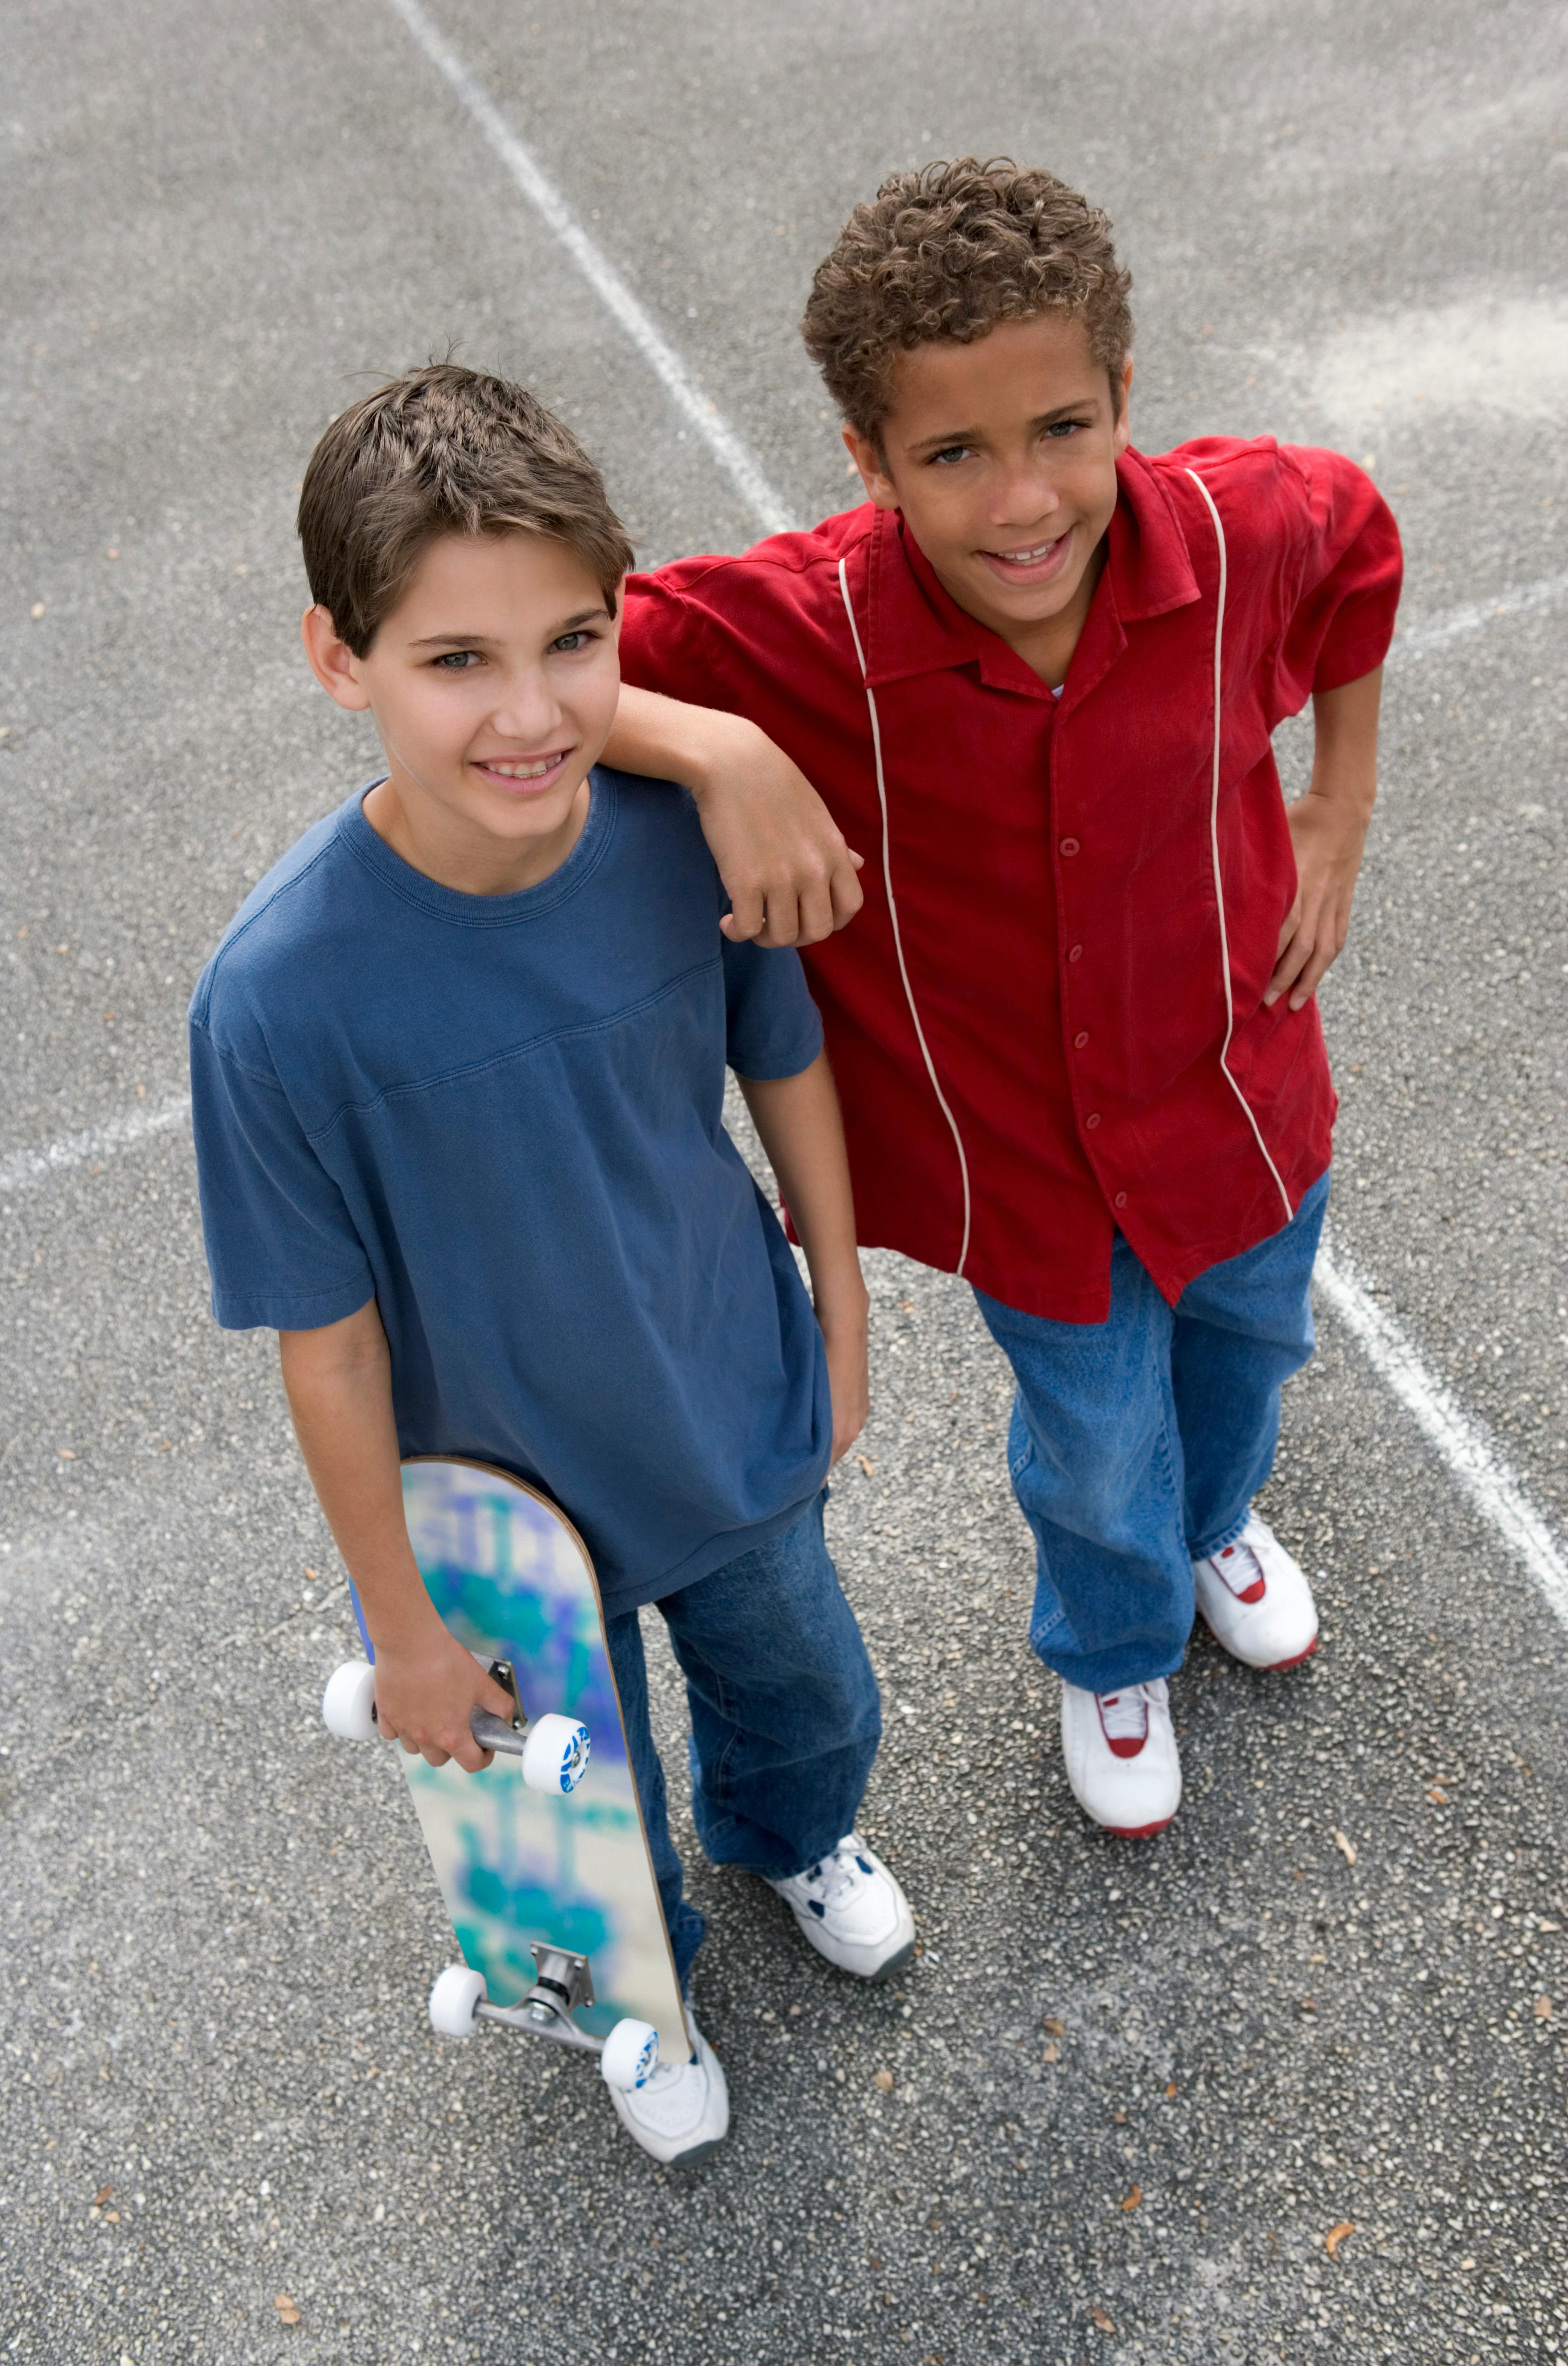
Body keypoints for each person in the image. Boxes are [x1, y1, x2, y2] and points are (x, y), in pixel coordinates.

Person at [602, 160, 1403, 1841]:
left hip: (1244, 1104)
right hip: (1025, 1177)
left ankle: (1214, 1527)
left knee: (1246, 1355)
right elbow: (540, 660)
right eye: (952, 455)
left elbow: (1357, 549)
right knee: (1096, 1439)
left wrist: (1340, 796)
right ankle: (1111, 1639)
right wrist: (715, 742)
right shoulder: (797, 630)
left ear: (1122, 394)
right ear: (867, 461)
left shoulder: (1241, 523)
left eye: (1057, 429)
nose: (1020, 499)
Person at [187, 364, 914, 2167]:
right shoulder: (276, 1004)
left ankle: (787, 1835)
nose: (528, 713)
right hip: (503, 1525)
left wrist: (837, 1308)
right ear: (336, 659)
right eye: (455, 662)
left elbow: (784, 1060)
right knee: (572, 1821)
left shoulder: (683, 834)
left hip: (723, 1407)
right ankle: (631, 1998)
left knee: (811, 1698)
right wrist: (405, 1629)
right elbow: (329, 1352)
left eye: (572, 643)